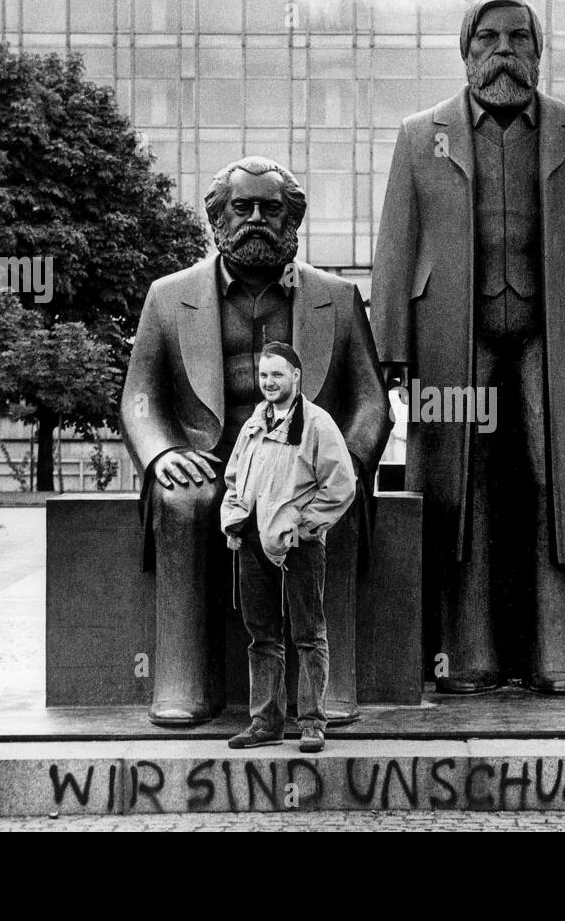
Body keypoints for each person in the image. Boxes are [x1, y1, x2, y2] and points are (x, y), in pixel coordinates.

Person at [371, 0, 565, 696]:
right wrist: (389, 349)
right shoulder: (417, 136)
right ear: (465, 53)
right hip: (450, 340)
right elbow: (396, 248)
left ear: (539, 51)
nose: (503, 51)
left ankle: (559, 653)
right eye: (487, 38)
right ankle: (469, 656)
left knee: (558, 476)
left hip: (556, 338)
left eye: (518, 38)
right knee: (466, 484)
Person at [120, 156, 390, 726]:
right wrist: (164, 453)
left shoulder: (337, 298)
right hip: (210, 462)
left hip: (302, 461)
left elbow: (372, 402)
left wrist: (345, 460)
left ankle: (327, 687)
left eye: (272, 209)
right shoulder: (168, 297)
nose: (257, 220)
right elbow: (139, 399)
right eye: (242, 208)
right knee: (183, 499)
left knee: (328, 500)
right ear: (218, 218)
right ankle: (182, 683)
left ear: (292, 218)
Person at [220, 342, 356, 753]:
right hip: (252, 543)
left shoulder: (317, 423)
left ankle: (313, 722)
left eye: (277, 374)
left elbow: (341, 485)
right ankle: (266, 722)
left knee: (309, 635)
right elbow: (234, 479)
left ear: (296, 375)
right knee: (261, 635)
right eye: (264, 375)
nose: (269, 383)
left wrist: (303, 524)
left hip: (300, 546)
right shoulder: (253, 424)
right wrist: (233, 517)